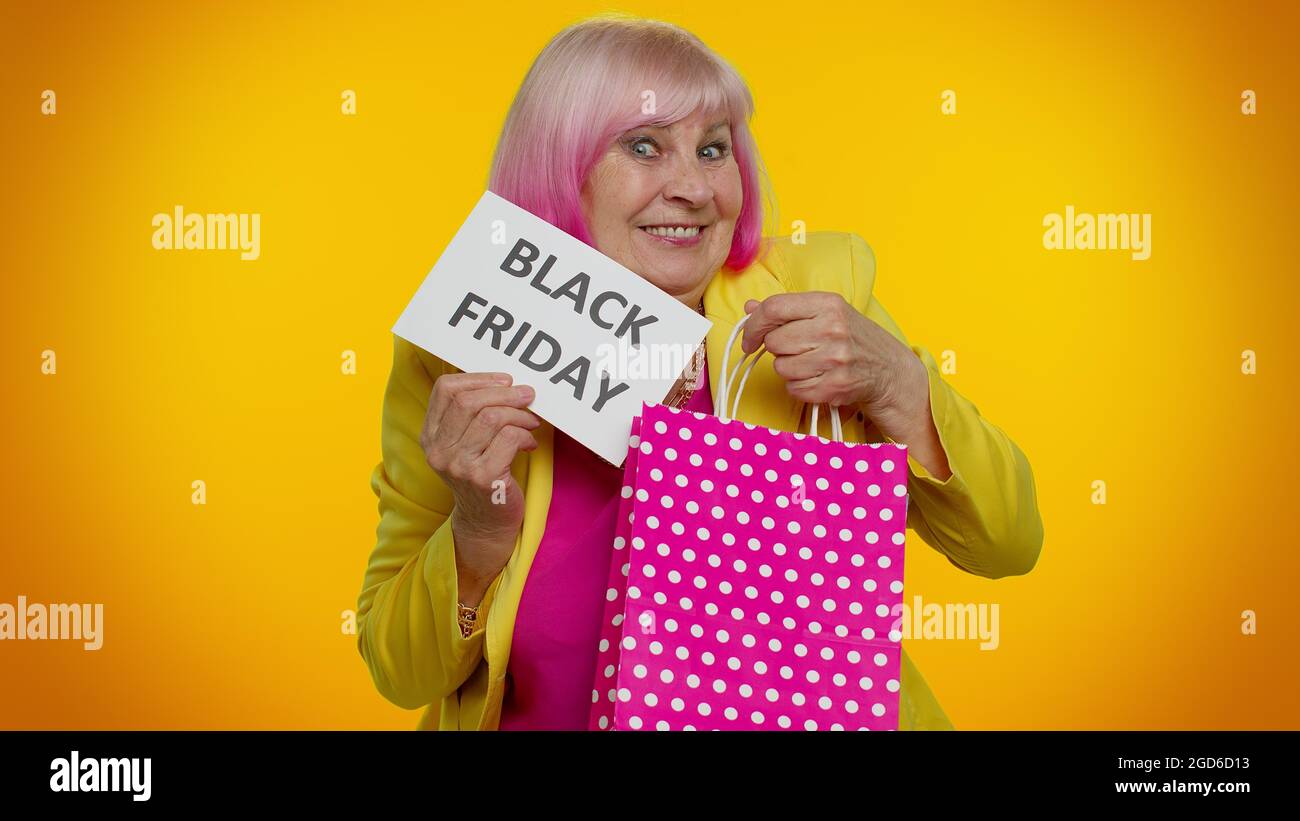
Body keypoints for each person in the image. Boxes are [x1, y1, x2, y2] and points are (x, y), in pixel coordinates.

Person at [356, 14, 1044, 730]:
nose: (694, 187)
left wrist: (900, 385)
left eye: (714, 149)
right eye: (645, 147)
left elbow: (1008, 542)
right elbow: (399, 671)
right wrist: (476, 533)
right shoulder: (463, 353)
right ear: (559, 169)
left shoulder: (818, 295)